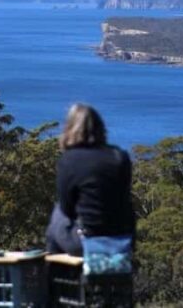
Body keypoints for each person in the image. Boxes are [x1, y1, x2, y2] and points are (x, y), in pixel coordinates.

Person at [46, 104, 135, 255]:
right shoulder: (120, 157)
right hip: (122, 240)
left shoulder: (69, 160)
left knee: (57, 214)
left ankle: (56, 274)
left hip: (87, 242)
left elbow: (67, 207)